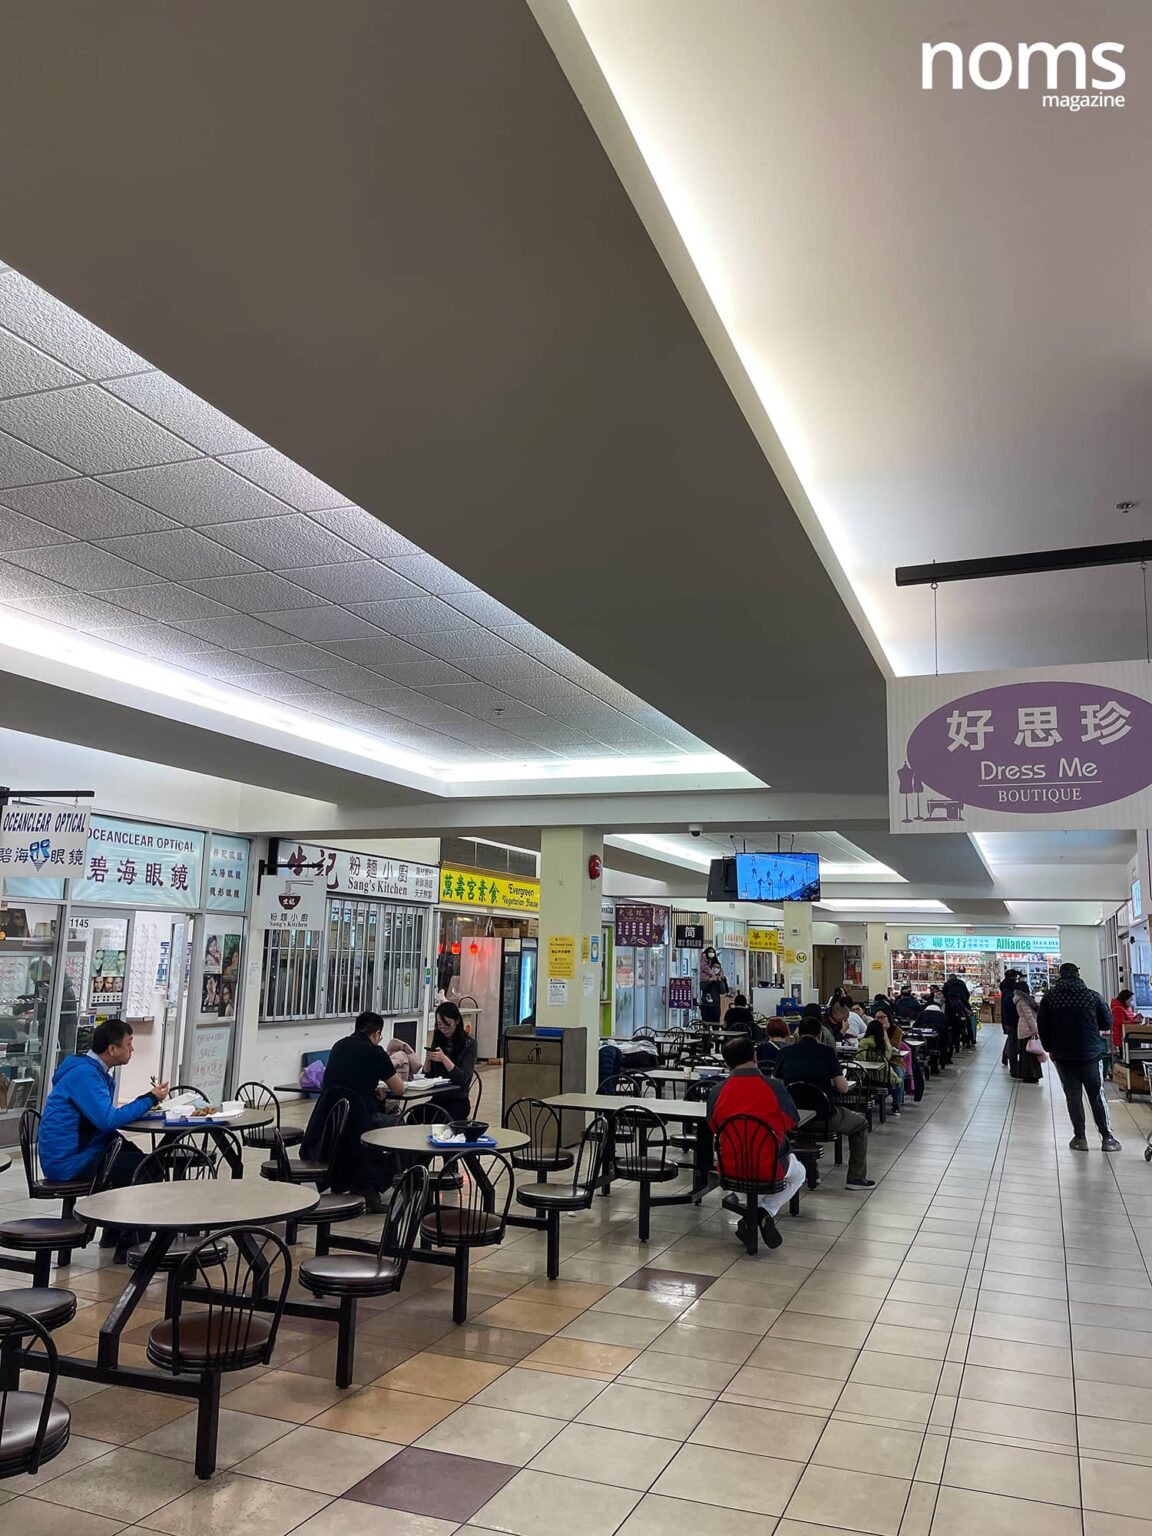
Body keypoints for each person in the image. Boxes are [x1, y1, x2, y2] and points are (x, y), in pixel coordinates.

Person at [39, 1019, 169, 1258]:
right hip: (69, 1161)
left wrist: (145, 1100)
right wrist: (149, 1099)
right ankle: (131, 1248)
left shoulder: (92, 1071)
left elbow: (102, 1118)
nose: (132, 1049)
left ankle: (114, 1234)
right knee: (148, 1168)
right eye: (129, 1044)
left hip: (82, 1150)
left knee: (136, 1158)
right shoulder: (85, 1075)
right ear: (112, 1049)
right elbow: (107, 1120)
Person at [708, 1036, 806, 1248]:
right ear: (754, 1056)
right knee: (799, 1174)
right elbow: (791, 1122)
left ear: (726, 1064)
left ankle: (752, 1217)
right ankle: (764, 1212)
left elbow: (714, 1127)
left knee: (746, 1188)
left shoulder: (717, 1091)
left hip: (730, 1168)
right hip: (770, 1168)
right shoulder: (775, 1088)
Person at [778, 1015, 874, 1187]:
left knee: (804, 1131)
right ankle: (856, 1178)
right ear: (820, 1034)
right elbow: (843, 1088)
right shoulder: (827, 1052)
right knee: (861, 1124)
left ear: (798, 1033)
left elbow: (776, 1087)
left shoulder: (785, 1053)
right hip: (825, 1118)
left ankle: (810, 1173)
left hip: (794, 1119)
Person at [1037, 962, 1120, 1151]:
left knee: (1073, 1097)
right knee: (1097, 1095)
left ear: (1060, 975)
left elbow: (1042, 1026)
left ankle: (1080, 1138)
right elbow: (1107, 1022)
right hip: (1090, 1053)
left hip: (1063, 1055)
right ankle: (1107, 1138)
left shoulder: (1050, 998)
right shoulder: (1092, 996)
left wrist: (1050, 1048)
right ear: (1077, 974)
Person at [424, 1001, 479, 1122]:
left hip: (458, 1100)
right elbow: (428, 1076)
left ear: (457, 1021)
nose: (443, 1029)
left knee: (440, 1120)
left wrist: (444, 1059)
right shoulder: (439, 1038)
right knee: (415, 1117)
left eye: (447, 1025)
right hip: (437, 1098)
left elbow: (463, 1078)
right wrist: (428, 1059)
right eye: (439, 1025)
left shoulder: (469, 1044)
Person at [855, 1016, 904, 1116]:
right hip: (884, 1079)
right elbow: (888, 1055)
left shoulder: (864, 1042)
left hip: (868, 1078)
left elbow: (860, 1058)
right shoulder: (883, 1043)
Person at [1014, 982, 1044, 1085]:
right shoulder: (1024, 1001)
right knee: (1031, 1054)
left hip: (1022, 1027)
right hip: (1027, 1028)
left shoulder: (1018, 1000)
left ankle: (1026, 1074)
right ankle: (1032, 1075)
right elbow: (1029, 1017)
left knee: (1025, 1052)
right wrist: (1035, 1030)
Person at [1000, 969, 1021, 1076]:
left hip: (1008, 1020)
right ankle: (1014, 1068)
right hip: (1013, 1021)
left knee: (1011, 1039)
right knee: (1014, 1043)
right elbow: (1011, 1007)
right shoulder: (1010, 992)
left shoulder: (1005, 989)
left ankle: (1006, 1054)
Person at [699, 947, 726, 1024]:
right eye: (714, 967)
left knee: (716, 1026)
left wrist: (719, 980)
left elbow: (723, 991)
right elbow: (702, 987)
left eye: (718, 967)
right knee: (705, 1027)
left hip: (716, 1006)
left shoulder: (720, 977)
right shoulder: (705, 977)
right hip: (706, 1005)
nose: (716, 969)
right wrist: (710, 980)